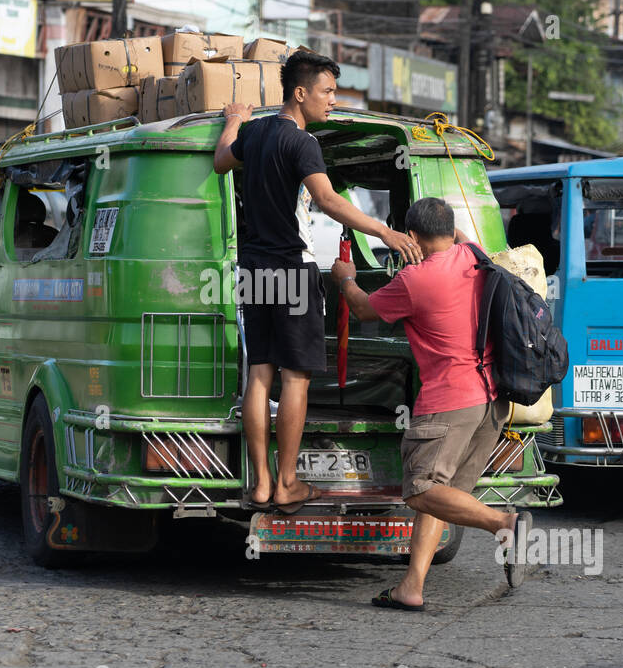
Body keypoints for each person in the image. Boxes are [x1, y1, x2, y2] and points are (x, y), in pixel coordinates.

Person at [213, 50, 423, 514]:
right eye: (326, 92)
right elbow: (327, 200)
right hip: (292, 267)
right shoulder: (302, 142)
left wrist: (235, 118)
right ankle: (287, 483)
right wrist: (384, 230)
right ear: (300, 92)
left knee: (259, 375)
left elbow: (221, 162)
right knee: (297, 379)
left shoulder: (256, 132)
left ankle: (261, 484)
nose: (332, 101)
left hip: (254, 267)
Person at [330, 197, 533, 609]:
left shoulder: (415, 280)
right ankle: (412, 587)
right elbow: (454, 235)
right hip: (491, 399)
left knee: (422, 490)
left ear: (413, 237)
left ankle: (505, 523)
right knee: (444, 496)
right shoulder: (472, 255)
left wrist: (345, 278)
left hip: (450, 402)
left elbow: (363, 309)